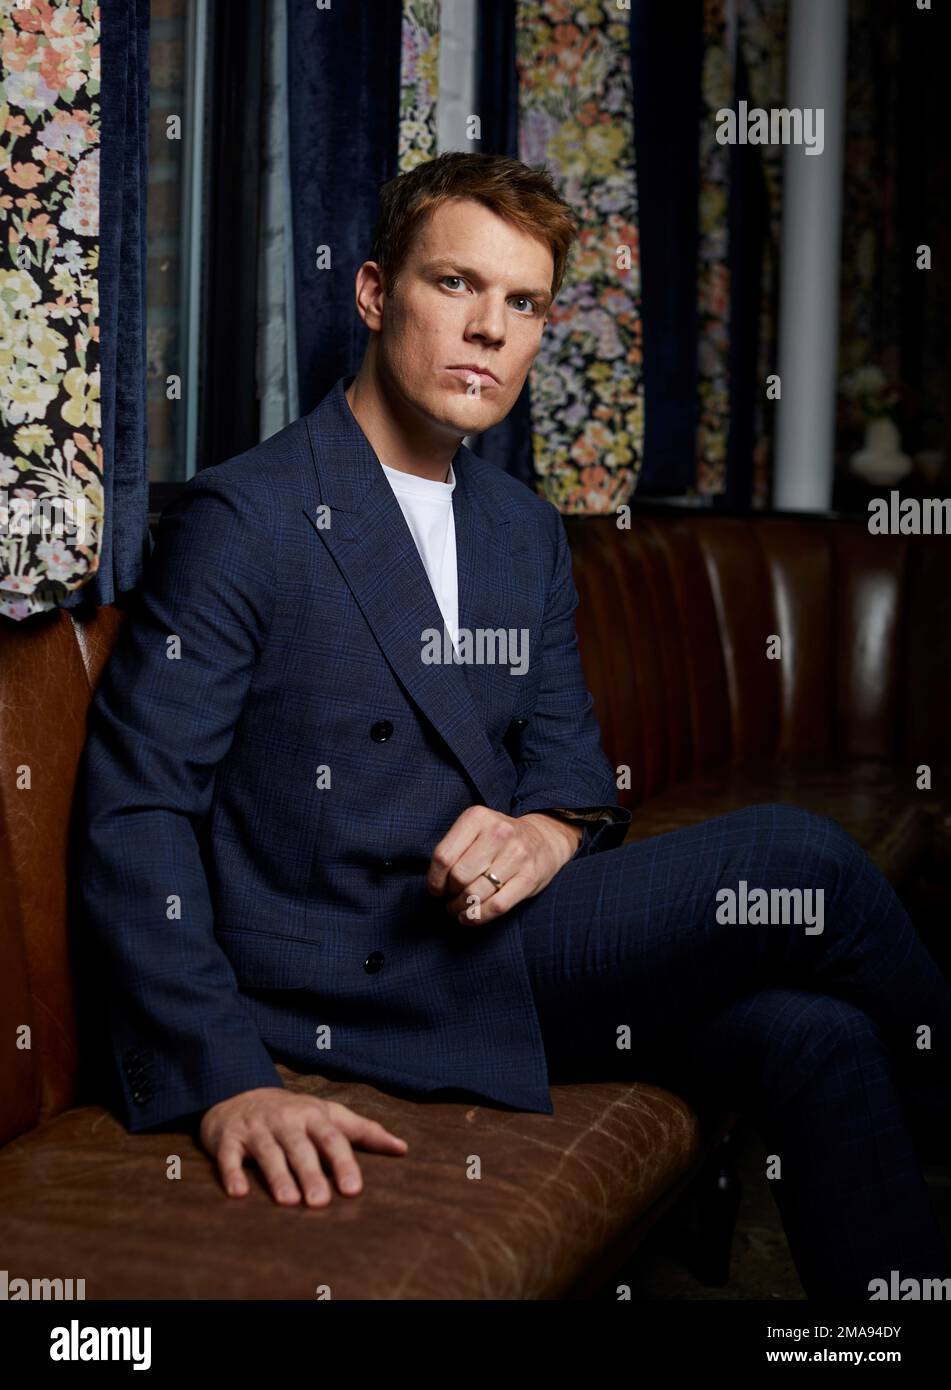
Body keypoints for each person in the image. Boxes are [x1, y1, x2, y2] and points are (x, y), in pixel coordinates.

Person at [74, 151, 950, 1299]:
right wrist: (226, 1072)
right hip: (339, 975)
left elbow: (572, 769)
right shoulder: (250, 517)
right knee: (798, 861)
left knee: (812, 1035)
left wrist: (543, 835)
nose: (489, 329)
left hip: (494, 942)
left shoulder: (520, 529)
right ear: (375, 293)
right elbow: (135, 814)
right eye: (456, 286)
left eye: (523, 302)